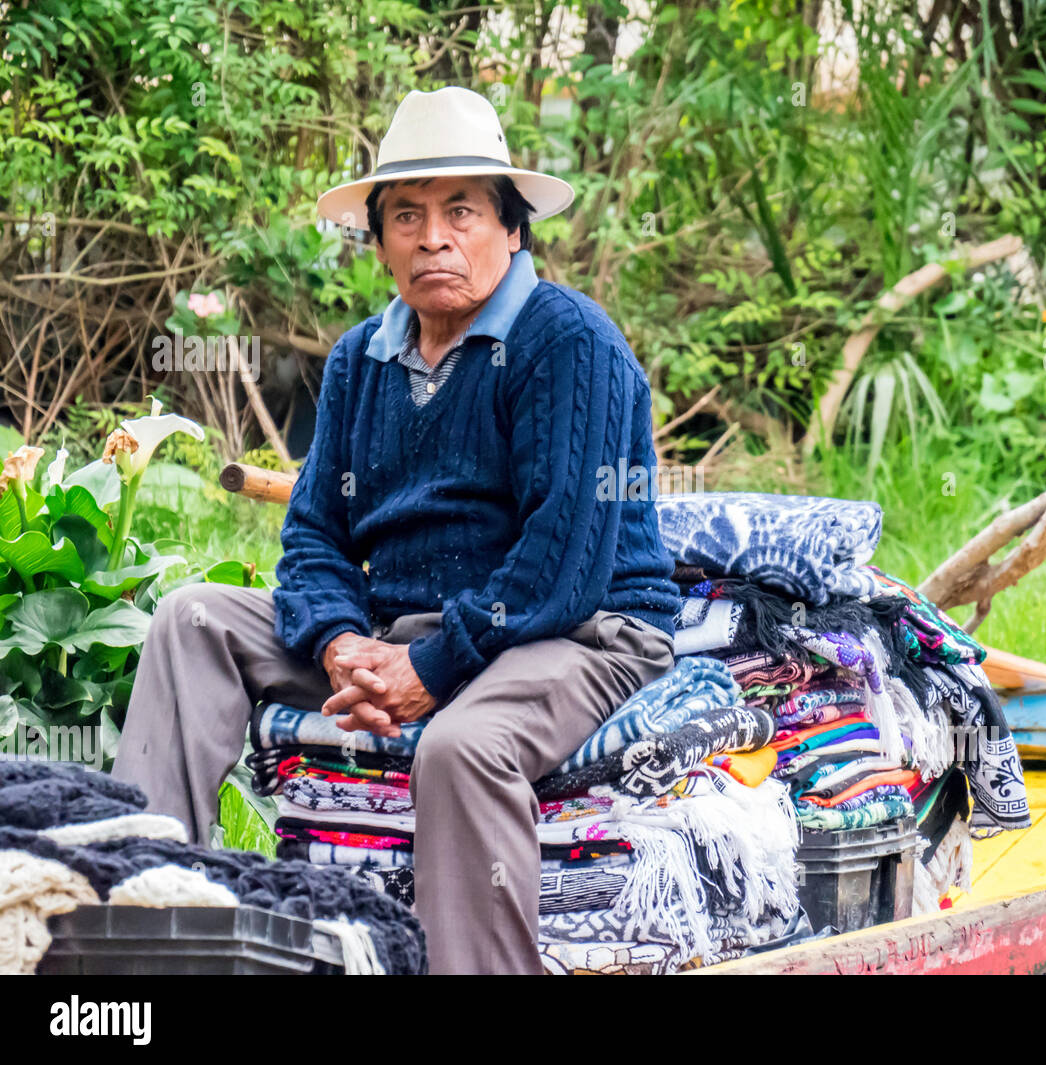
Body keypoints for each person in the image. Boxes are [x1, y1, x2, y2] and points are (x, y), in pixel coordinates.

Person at [111, 86, 681, 974]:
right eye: (406, 215)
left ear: (514, 229)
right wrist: (340, 644)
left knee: (462, 746)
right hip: (402, 628)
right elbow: (313, 538)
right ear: (378, 242)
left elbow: (562, 565)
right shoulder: (357, 361)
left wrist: (431, 671)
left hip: (580, 629)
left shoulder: (569, 342)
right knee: (191, 619)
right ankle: (144, 923)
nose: (433, 236)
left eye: (463, 210)